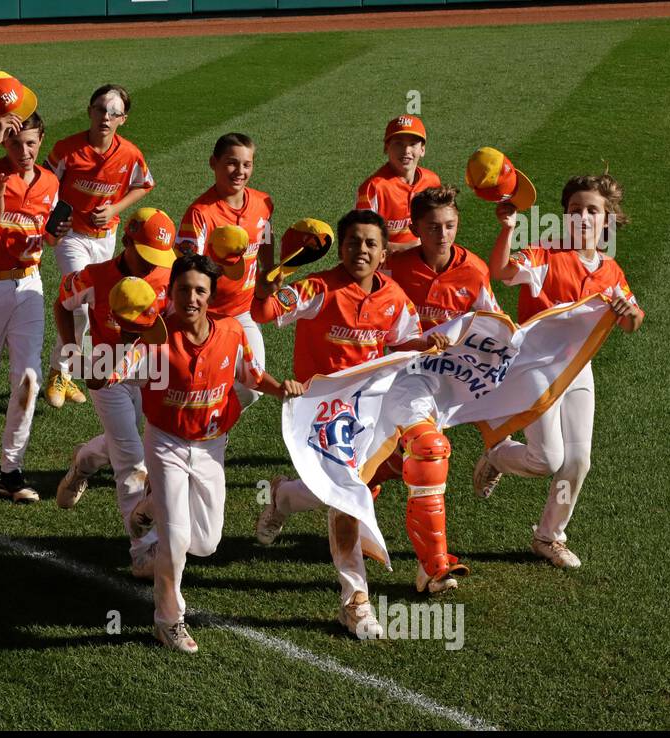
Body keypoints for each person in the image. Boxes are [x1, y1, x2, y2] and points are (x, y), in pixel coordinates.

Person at [250, 210, 440, 638]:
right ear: (342, 248)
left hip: (366, 413)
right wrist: (264, 288)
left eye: (371, 243)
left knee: (339, 489)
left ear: (384, 253)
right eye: (353, 242)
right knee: (348, 497)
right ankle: (355, 601)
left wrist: (428, 343)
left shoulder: (393, 297)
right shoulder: (318, 289)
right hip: (320, 412)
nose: (361, 250)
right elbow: (264, 312)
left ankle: (283, 497)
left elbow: (403, 341)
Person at [105, 255, 303, 652]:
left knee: (207, 543)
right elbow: (108, 373)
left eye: (200, 291)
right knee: (176, 539)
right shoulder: (154, 339)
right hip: (167, 444)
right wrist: (115, 347)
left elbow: (251, 375)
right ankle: (168, 620)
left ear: (211, 296)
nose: (191, 298)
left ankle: (149, 506)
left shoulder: (231, 331)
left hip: (212, 446)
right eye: (183, 290)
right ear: (170, 293)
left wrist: (282, 388)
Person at [474, 174, 644, 568]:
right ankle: (497, 455)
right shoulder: (545, 254)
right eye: (574, 209)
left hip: (578, 370)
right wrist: (508, 229)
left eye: (592, 210)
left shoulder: (611, 271)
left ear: (607, 219)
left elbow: (632, 322)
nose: (582, 217)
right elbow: (501, 271)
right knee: (546, 461)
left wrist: (629, 311)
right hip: (535, 370)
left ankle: (549, 537)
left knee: (578, 460)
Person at [369, 185, 503, 593]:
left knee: (383, 463)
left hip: (441, 382)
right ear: (415, 228)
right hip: (395, 376)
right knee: (429, 450)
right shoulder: (392, 268)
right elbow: (367, 316)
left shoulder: (474, 269)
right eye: (432, 227)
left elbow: (494, 325)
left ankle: (288, 497)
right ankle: (433, 566)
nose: (442, 235)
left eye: (450, 225)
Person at [52, 208, 177, 577]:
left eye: (159, 257)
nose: (153, 265)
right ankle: (143, 550)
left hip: (152, 373)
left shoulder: (170, 276)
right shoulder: (95, 277)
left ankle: (84, 461)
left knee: (130, 444)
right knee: (132, 460)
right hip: (108, 374)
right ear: (126, 242)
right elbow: (62, 303)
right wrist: (72, 348)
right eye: (146, 254)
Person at [0, 111, 67, 503]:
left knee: (29, 378)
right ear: (6, 142)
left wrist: (54, 236)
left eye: (31, 143)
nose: (24, 151)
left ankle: (10, 472)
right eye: (16, 143)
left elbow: (45, 236)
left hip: (28, 285)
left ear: (41, 142)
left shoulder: (50, 182)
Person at [43, 84, 155, 408]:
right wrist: (54, 219)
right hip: (71, 238)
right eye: (101, 109)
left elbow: (145, 184)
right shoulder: (67, 150)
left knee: (94, 309)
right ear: (89, 111)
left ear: (123, 119)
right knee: (78, 304)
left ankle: (65, 372)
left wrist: (115, 208)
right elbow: (44, 185)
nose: (106, 117)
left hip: (106, 239)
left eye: (114, 112)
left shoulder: (130, 154)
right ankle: (60, 372)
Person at [176, 132, 275, 409]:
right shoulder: (200, 213)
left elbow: (266, 234)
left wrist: (268, 268)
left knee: (252, 388)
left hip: (244, 312)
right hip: (206, 316)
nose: (240, 171)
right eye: (232, 163)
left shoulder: (263, 202)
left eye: (247, 164)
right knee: (191, 387)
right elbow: (186, 269)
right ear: (213, 163)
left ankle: (213, 425)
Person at [355, 115, 440, 254]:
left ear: (422, 149)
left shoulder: (432, 182)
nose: (406, 150)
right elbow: (361, 239)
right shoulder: (373, 188)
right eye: (399, 144)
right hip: (386, 264)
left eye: (413, 144)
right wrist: (406, 249)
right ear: (386, 147)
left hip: (423, 259)